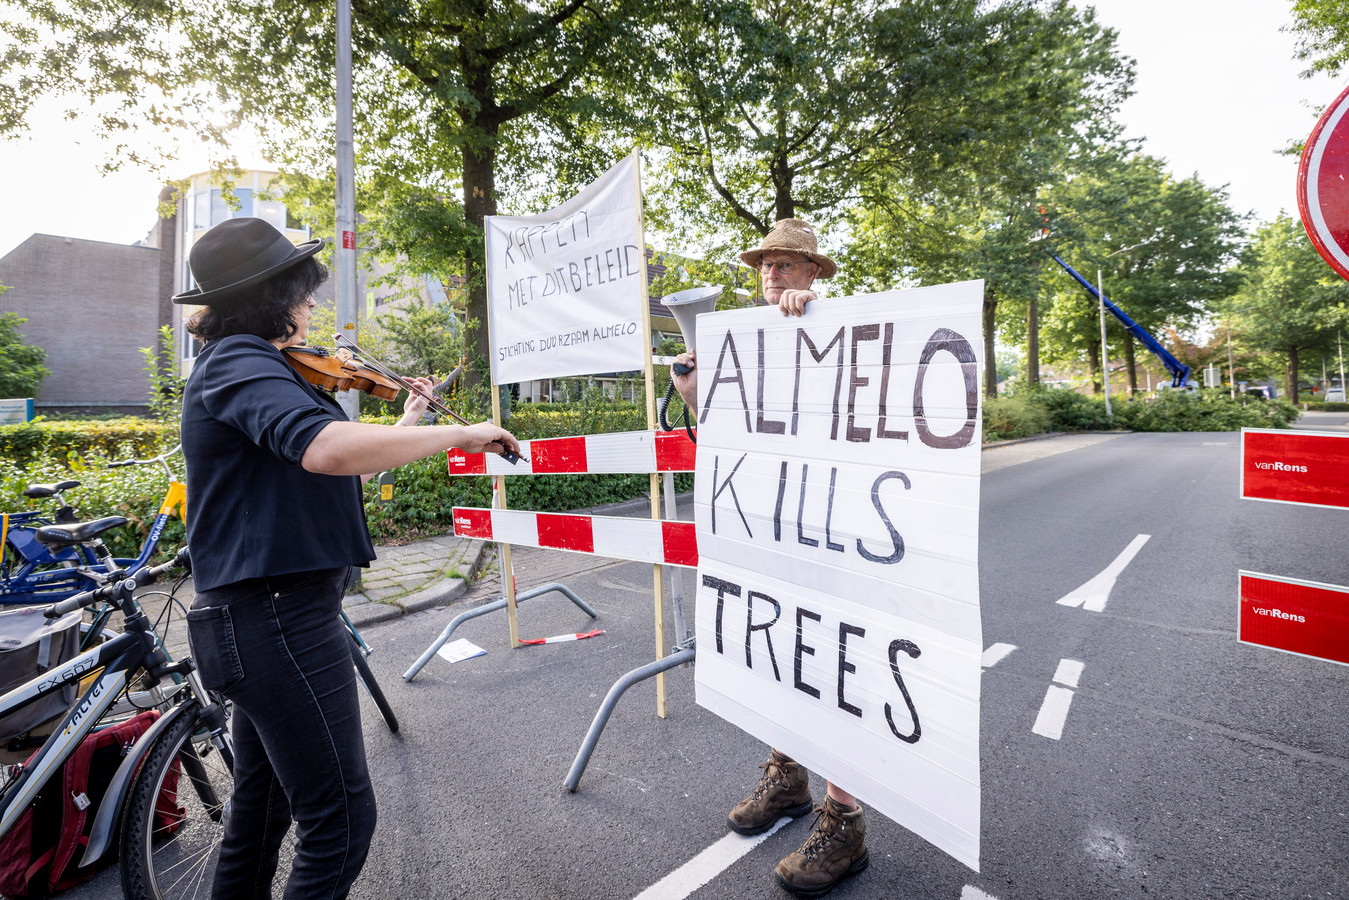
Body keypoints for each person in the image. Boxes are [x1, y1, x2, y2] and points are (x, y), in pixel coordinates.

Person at [175, 217, 519, 899]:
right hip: (279, 620)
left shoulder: (246, 364)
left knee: (261, 815)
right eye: (303, 294)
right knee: (340, 823)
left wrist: (410, 422)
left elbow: (333, 469)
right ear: (273, 296)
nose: (311, 307)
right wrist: (467, 431)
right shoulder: (244, 358)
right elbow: (326, 447)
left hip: (256, 620)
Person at [671, 218, 868, 897]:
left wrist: (816, 325)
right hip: (770, 531)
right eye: (765, 264)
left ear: (814, 274)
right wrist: (695, 392)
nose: (772, 274)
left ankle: (843, 820)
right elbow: (725, 438)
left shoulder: (837, 328)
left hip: (831, 531)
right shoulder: (743, 345)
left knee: (834, 666)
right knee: (782, 654)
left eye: (787, 264)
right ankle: (787, 777)